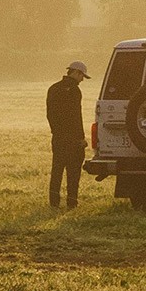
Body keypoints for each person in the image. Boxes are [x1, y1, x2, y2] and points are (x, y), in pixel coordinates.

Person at [47, 60, 90, 208]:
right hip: (73, 139)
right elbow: (76, 117)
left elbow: (50, 115)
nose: (82, 79)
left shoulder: (53, 89)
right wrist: (81, 138)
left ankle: (54, 202)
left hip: (58, 137)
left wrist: (56, 132)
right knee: (73, 172)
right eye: (82, 76)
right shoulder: (75, 91)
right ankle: (72, 201)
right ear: (76, 73)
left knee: (57, 171)